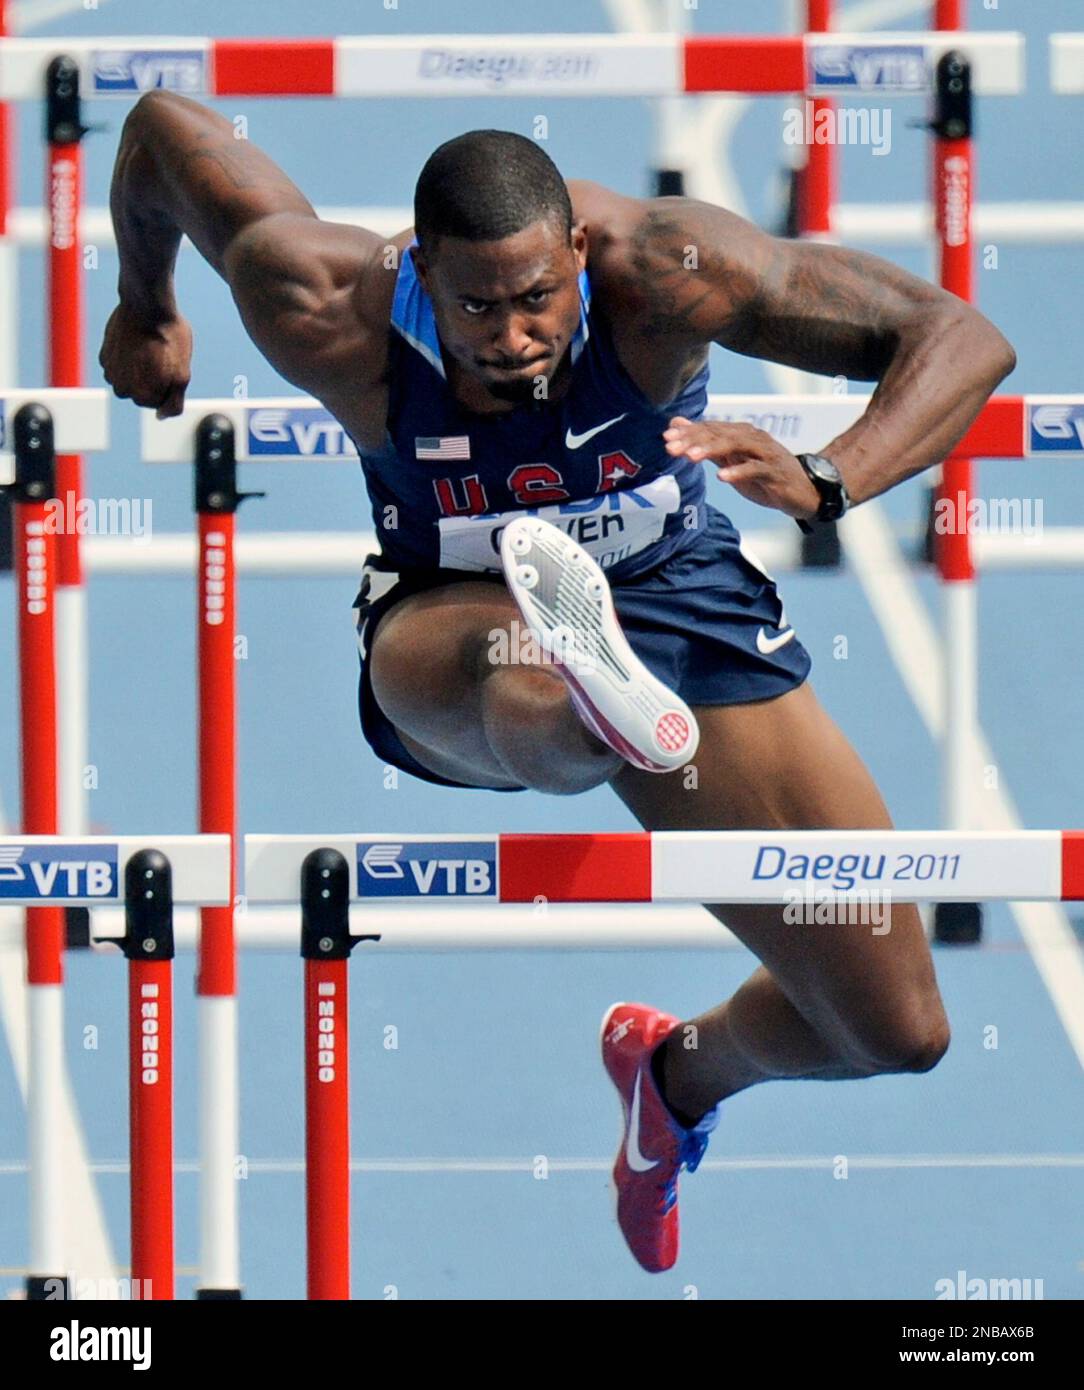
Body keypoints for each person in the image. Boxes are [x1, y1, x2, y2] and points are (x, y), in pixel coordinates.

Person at [100, 97, 1016, 1273]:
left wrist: (832, 476)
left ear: (581, 257)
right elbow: (163, 138)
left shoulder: (670, 273)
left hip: (677, 592)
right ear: (421, 271)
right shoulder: (324, 298)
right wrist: (148, 304)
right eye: (477, 307)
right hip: (450, 612)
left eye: (539, 298)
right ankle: (584, 682)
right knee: (532, 694)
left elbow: (957, 336)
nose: (517, 335)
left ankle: (672, 1077)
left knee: (893, 1026)